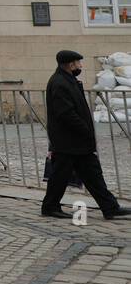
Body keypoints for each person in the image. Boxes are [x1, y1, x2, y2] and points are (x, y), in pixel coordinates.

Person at [42, 50, 131, 220]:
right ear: (70, 64)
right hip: (68, 140)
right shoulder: (60, 83)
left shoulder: (69, 80)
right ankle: (50, 206)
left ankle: (110, 207)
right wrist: (85, 129)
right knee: (60, 175)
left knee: (93, 175)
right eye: (78, 63)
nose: (80, 66)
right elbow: (66, 113)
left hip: (76, 141)